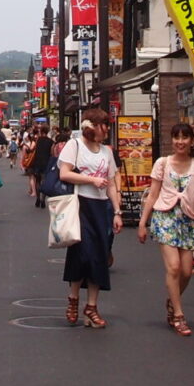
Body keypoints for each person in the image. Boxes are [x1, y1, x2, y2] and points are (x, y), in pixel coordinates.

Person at [138, 123, 194, 336]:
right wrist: (143, 223)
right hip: (165, 218)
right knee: (173, 267)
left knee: (187, 272)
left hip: (187, 220)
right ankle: (178, 315)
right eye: (177, 137)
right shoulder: (162, 163)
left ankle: (172, 300)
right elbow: (152, 194)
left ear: (192, 141)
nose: (180, 141)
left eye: (185, 137)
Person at [58, 108, 122, 329]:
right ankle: (74, 300)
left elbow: (112, 183)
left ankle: (92, 307)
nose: (106, 130)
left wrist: (117, 211)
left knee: (99, 256)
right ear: (92, 126)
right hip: (80, 205)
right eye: (103, 125)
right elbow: (64, 173)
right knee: (81, 254)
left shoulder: (106, 152)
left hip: (101, 207)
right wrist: (91, 180)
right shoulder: (75, 145)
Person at [27, 121, 54, 207]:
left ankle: (38, 198)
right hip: (46, 163)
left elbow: (33, 150)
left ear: (41, 131)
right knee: (44, 181)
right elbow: (52, 153)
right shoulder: (51, 141)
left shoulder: (38, 140)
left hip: (37, 162)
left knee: (37, 181)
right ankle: (43, 199)